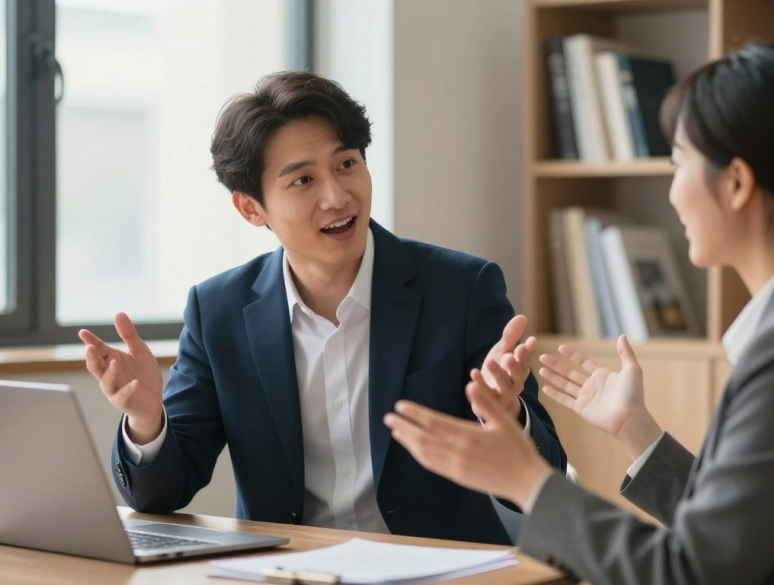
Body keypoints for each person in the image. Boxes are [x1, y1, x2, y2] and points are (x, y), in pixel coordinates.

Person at [384, 43, 774, 582]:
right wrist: (636, 430)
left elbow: (690, 568)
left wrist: (528, 481)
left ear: (737, 183)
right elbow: (739, 535)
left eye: (678, 165)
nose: (672, 195)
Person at [77, 71, 567, 545]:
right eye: (303, 181)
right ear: (251, 208)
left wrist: (507, 418)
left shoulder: (461, 290)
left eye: (347, 164)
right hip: (288, 571)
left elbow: (546, 478)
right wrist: (146, 421)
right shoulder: (217, 311)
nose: (337, 196)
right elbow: (163, 495)